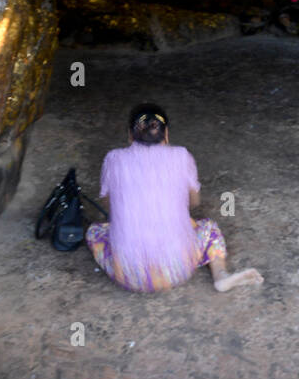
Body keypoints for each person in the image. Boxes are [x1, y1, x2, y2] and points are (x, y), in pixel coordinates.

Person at [86, 104, 263, 293]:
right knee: (208, 228)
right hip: (179, 269)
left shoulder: (114, 159)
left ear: (130, 135)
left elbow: (109, 205)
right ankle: (220, 275)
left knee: (94, 232)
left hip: (129, 274)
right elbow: (193, 202)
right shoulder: (181, 156)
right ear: (166, 134)